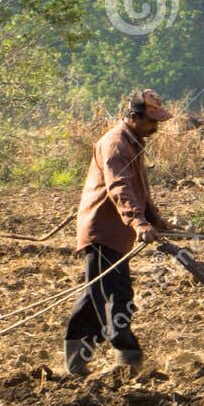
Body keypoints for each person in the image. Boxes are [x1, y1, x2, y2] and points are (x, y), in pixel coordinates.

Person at [62, 89, 175, 377]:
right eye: (152, 121)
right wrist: (138, 222)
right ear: (134, 117)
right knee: (110, 297)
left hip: (116, 232)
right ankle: (124, 355)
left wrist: (154, 220)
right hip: (103, 231)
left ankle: (90, 359)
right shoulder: (114, 144)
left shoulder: (133, 141)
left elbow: (139, 189)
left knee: (101, 296)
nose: (156, 126)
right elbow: (120, 187)